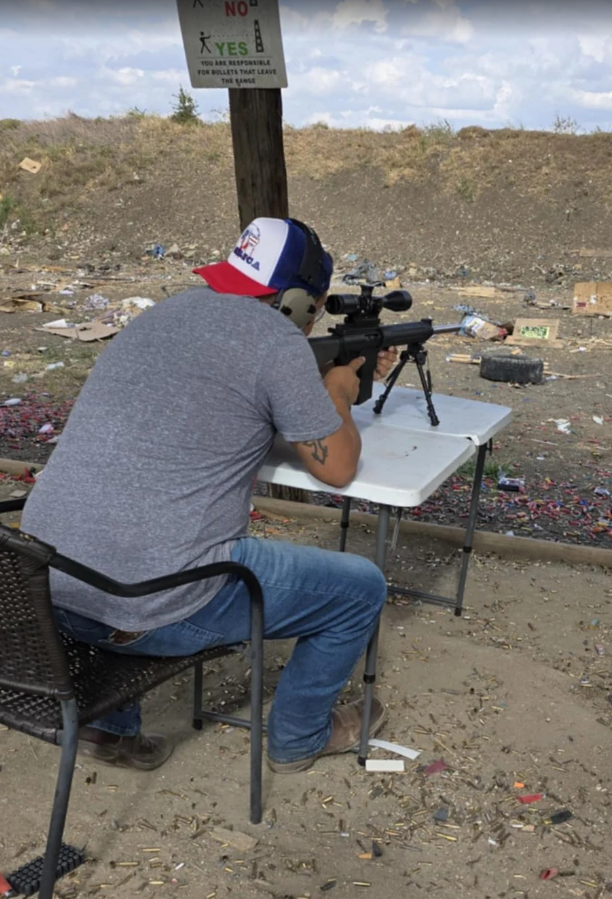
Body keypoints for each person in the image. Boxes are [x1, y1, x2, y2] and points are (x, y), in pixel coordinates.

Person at [21, 216, 398, 774]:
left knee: (121, 537)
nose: (313, 318)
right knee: (360, 589)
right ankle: (300, 739)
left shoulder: (162, 313)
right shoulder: (274, 342)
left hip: (43, 586)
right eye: (314, 307)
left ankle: (109, 728)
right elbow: (338, 467)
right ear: (297, 301)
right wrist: (337, 391)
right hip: (146, 603)